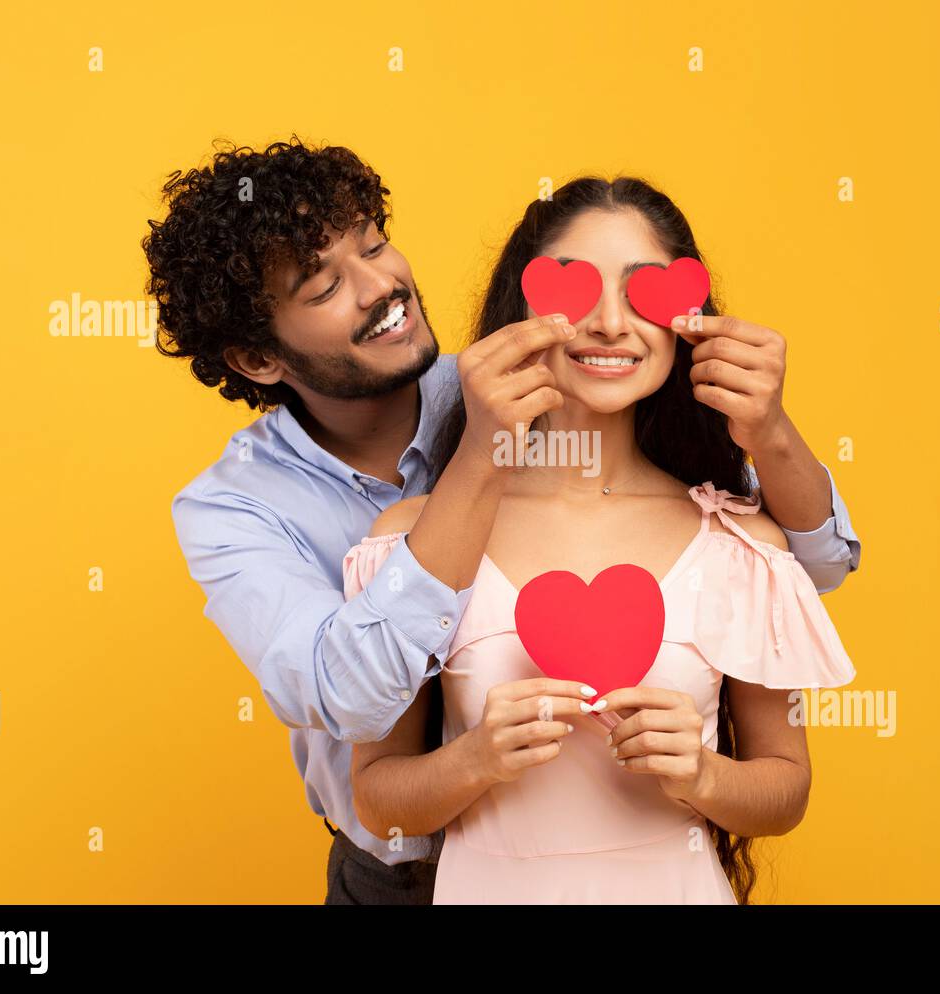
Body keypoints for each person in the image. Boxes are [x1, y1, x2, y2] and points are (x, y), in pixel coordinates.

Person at [146, 139, 859, 905]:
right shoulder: (239, 507)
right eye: (323, 288)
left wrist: (772, 432)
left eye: (376, 244)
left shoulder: (540, 386)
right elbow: (353, 702)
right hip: (392, 871)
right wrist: (483, 458)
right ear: (259, 360)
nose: (380, 286)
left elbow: (811, 564)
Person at [347, 177, 857, 904]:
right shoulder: (414, 540)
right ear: (519, 312)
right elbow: (378, 796)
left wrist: (702, 774)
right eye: (575, 291)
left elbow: (787, 789)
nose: (611, 323)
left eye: (646, 293)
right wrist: (476, 759)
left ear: (687, 323)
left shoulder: (738, 539)